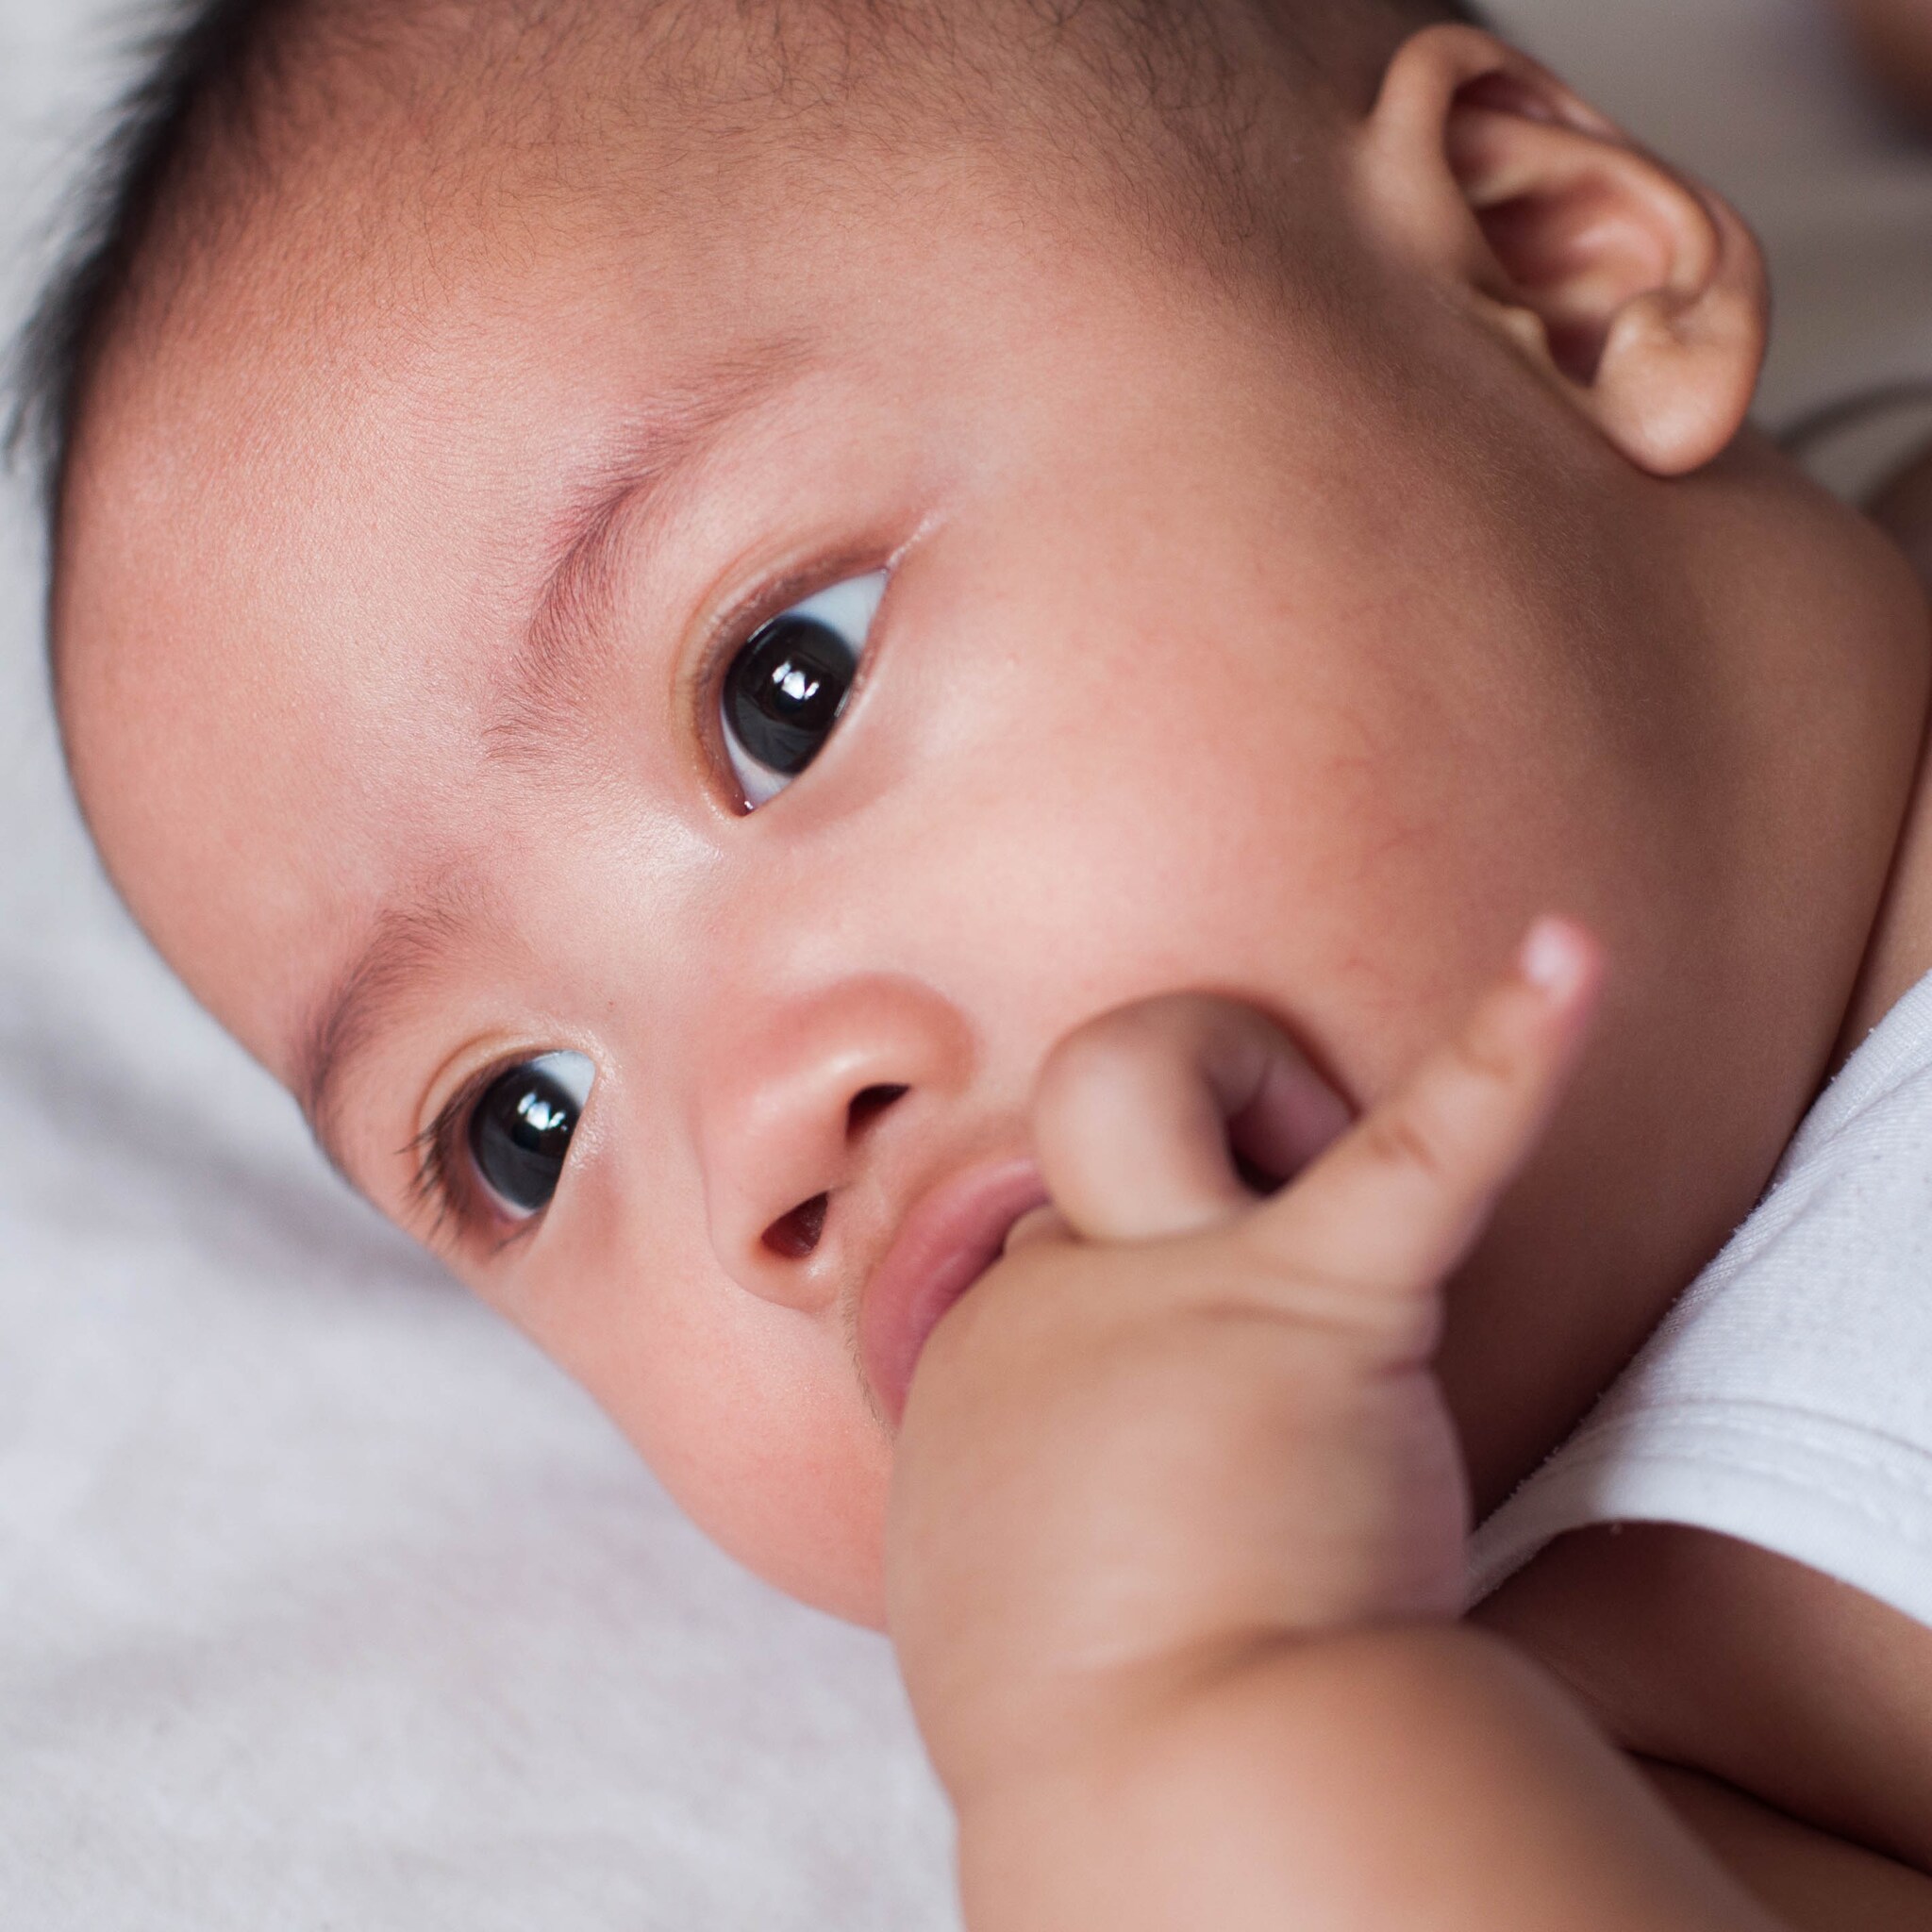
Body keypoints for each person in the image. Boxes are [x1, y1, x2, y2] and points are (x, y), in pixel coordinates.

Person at [9, 0, 1932, 1922]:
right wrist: (1178, 1708)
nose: (756, 1134)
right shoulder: (1641, 1742)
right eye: (522, 1122)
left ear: (1556, 273)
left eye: (789, 686)